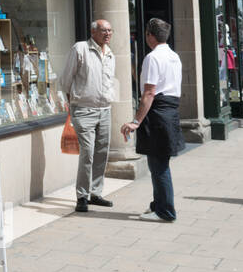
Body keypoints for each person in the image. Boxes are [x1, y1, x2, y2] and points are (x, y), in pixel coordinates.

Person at [121, 18, 184, 222]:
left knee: (158, 165)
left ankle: (165, 211)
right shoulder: (174, 56)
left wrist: (136, 121)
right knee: (159, 162)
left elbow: (149, 93)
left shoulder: (152, 57)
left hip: (158, 112)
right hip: (170, 110)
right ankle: (158, 205)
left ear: (150, 35)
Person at [58, 19, 117, 213]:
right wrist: (73, 102)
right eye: (104, 30)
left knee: (102, 153)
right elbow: (66, 80)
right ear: (93, 32)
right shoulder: (80, 49)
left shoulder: (110, 54)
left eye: (110, 30)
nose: (108, 34)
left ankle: (95, 193)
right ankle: (82, 196)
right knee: (88, 153)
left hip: (105, 110)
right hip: (84, 110)